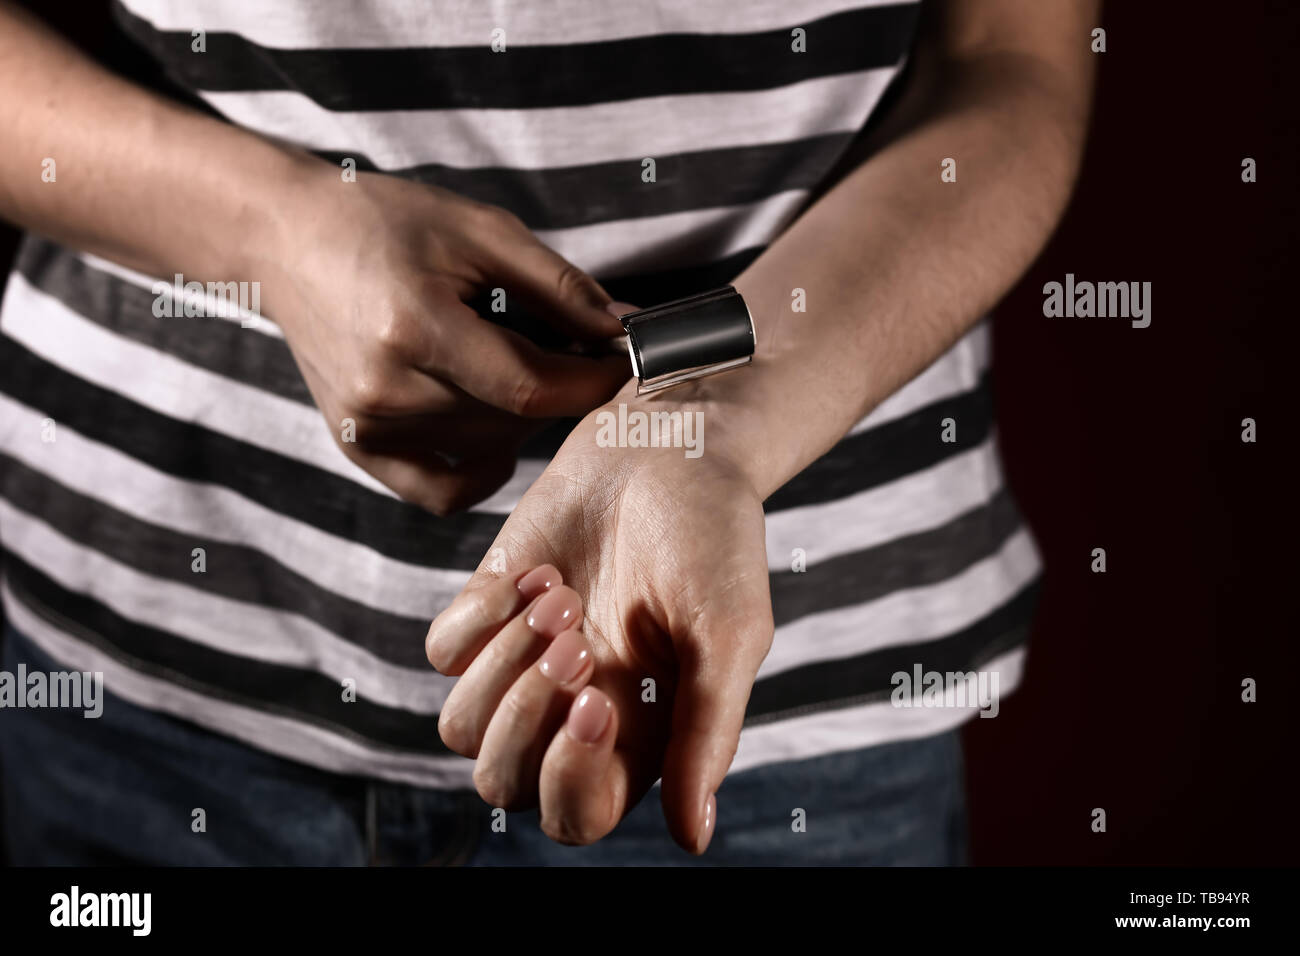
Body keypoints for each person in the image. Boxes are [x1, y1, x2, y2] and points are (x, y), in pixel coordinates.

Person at [0, 0, 1097, 864]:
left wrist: (712, 426)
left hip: (786, 692)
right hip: (144, 671)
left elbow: (1009, 58)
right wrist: (269, 231)